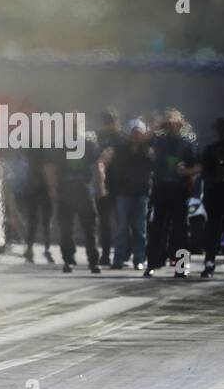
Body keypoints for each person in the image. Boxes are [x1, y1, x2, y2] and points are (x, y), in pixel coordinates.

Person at [146, 108, 199, 277]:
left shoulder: (187, 143)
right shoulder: (159, 141)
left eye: (174, 122)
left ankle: (181, 267)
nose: (171, 125)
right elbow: (143, 140)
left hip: (180, 192)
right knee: (156, 229)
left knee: (180, 230)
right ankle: (152, 264)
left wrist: (187, 172)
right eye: (169, 122)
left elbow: (198, 166)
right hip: (161, 191)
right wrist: (158, 125)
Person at [46, 132, 101, 273]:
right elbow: (51, 168)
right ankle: (75, 260)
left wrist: (100, 185)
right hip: (71, 190)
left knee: (83, 228)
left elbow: (97, 165)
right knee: (71, 228)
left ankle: (86, 261)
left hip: (79, 189)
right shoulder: (85, 144)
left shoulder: (85, 144)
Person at [112, 119, 153, 270]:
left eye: (139, 133)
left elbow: (154, 162)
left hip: (141, 193)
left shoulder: (148, 150)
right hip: (123, 192)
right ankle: (118, 258)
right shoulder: (121, 148)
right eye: (134, 133)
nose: (136, 136)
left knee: (139, 229)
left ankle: (139, 259)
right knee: (122, 227)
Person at [199, 118, 224, 278]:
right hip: (214, 196)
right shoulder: (210, 149)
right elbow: (204, 172)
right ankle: (209, 263)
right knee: (212, 232)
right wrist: (215, 177)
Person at [96, 109, 124, 264]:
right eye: (107, 121)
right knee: (104, 221)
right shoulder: (98, 137)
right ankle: (106, 254)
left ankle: (123, 252)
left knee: (123, 221)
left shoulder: (123, 138)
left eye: (112, 121)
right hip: (104, 183)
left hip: (121, 184)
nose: (110, 124)